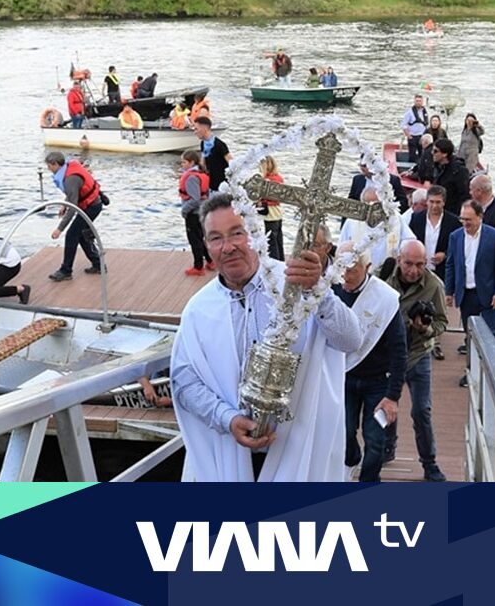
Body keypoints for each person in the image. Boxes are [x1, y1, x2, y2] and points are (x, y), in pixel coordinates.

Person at [170, 193, 362, 482]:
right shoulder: (198, 310)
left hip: (297, 447)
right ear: (206, 245)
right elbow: (184, 380)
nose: (228, 247)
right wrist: (226, 418)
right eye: (216, 238)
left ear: (256, 232)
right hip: (228, 449)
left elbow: (350, 340)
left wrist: (319, 293)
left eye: (237, 233)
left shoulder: (297, 283)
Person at [334, 243, 406, 483]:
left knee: (375, 441)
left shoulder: (385, 299)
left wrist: (393, 396)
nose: (345, 275)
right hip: (344, 376)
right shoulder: (331, 290)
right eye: (341, 268)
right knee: (343, 433)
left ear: (367, 267)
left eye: (352, 270)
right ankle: (352, 458)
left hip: (378, 381)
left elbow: (399, 349)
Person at [385, 239, 448, 481]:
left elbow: (442, 321)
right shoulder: (383, 277)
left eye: (420, 265)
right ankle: (387, 448)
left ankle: (429, 463)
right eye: (408, 264)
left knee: (422, 410)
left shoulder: (434, 285)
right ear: (399, 260)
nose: (413, 270)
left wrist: (426, 329)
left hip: (418, 353)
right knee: (386, 404)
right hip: (389, 353)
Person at [445, 200, 495, 387]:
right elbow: (451, 264)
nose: (465, 223)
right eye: (462, 219)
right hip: (466, 294)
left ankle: (494, 376)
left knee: (490, 337)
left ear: (480, 217)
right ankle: (472, 373)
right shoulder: (455, 236)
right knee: (471, 337)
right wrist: (449, 291)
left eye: (469, 219)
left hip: (489, 294)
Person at [45, 152, 103, 281]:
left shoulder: (70, 178)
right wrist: (64, 205)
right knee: (81, 234)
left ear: (55, 164)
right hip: (91, 204)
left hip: (92, 207)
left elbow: (73, 207)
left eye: (49, 166)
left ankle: (66, 271)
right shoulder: (68, 168)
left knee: (71, 235)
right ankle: (98, 264)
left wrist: (60, 229)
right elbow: (73, 194)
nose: (48, 169)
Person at [340, 189, 415, 275]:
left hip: (387, 273)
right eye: (368, 205)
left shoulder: (395, 219)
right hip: (359, 274)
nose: (373, 210)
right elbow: (342, 246)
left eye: (376, 205)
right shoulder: (352, 221)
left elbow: (409, 241)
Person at [409, 185, 460, 283]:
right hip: (420, 270)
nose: (434, 206)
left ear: (444, 202)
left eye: (438, 202)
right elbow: (410, 240)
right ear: (427, 201)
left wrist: (445, 254)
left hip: (442, 272)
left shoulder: (453, 222)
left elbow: (457, 245)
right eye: (431, 202)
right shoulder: (416, 218)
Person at [179, 150, 212, 276]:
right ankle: (210, 261)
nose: (182, 165)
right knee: (200, 237)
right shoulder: (201, 173)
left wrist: (184, 210)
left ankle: (198, 267)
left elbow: (195, 199)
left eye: (184, 162)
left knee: (194, 240)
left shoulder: (191, 178)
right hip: (202, 211)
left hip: (193, 213)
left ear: (192, 162)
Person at [256, 155, 285, 262]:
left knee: (271, 241)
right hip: (278, 211)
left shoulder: (266, 181)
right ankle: (281, 260)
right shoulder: (279, 178)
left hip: (270, 213)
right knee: (278, 240)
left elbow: (259, 194)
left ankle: (274, 263)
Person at [193, 116, 231, 191]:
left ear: (204, 128)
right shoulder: (203, 143)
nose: (195, 132)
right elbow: (203, 164)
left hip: (222, 186)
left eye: (196, 129)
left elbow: (231, 162)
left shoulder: (219, 144)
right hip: (210, 185)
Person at [432, 138, 470, 215]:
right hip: (440, 209)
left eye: (435, 151)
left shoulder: (459, 171)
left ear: (444, 154)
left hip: (452, 211)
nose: (432, 153)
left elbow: (464, 195)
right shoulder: (437, 167)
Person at [400, 94, 428, 163]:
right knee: (412, 156)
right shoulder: (409, 112)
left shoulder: (424, 111)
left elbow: (427, 124)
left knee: (423, 155)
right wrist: (409, 136)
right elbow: (403, 125)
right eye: (417, 101)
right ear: (414, 101)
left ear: (422, 102)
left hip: (422, 136)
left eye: (420, 101)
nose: (418, 102)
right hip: (413, 136)